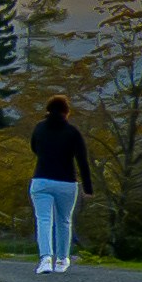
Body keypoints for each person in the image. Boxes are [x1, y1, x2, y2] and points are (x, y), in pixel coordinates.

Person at [26, 96, 89, 272]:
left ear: (48, 110)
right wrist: (88, 187)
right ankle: (62, 260)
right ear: (66, 112)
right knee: (64, 221)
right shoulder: (73, 132)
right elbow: (82, 160)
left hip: (41, 180)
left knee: (44, 220)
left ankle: (45, 258)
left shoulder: (39, 128)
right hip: (67, 182)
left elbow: (34, 148)